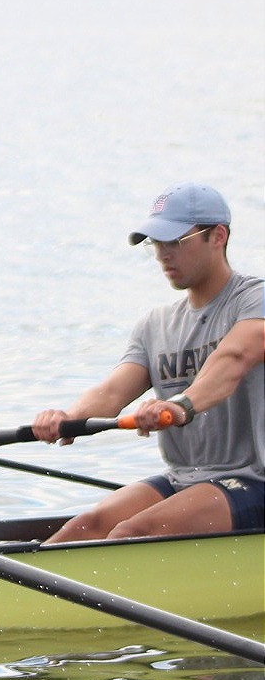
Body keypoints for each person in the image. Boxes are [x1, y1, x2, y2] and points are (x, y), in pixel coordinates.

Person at [34, 182, 262, 541]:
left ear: (218, 236)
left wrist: (180, 406)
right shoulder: (155, 325)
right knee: (86, 527)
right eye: (156, 243)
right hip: (186, 478)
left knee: (132, 531)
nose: (162, 255)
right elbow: (111, 393)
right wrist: (67, 418)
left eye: (175, 242)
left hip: (253, 478)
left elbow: (233, 361)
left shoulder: (255, 302)